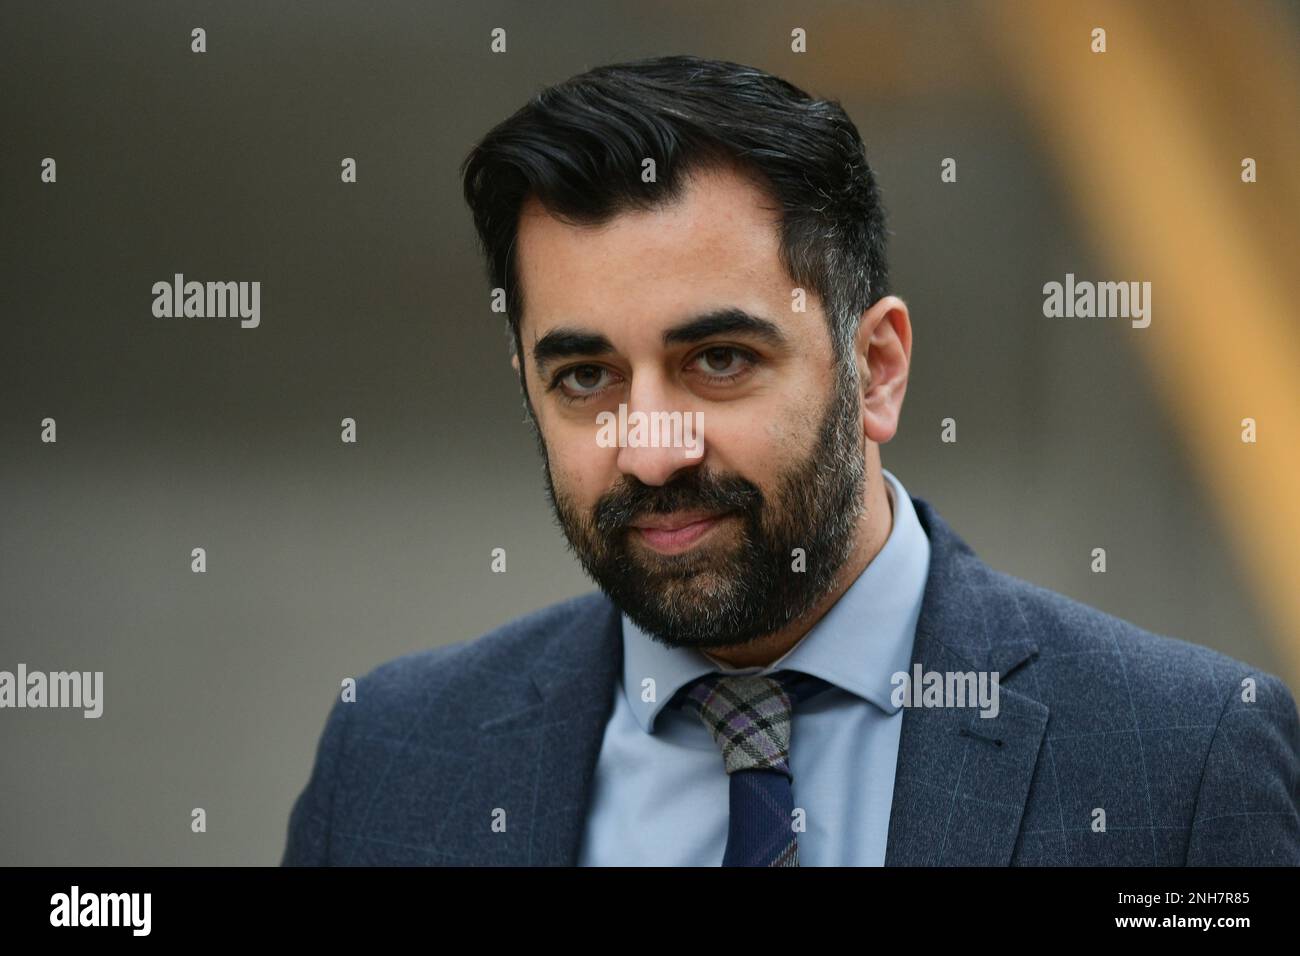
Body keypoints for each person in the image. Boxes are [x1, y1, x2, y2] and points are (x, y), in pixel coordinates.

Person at [282, 55, 1299, 866]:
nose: (651, 450)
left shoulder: (1182, 758)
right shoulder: (393, 760)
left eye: (717, 360)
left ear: (878, 368)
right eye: (586, 376)